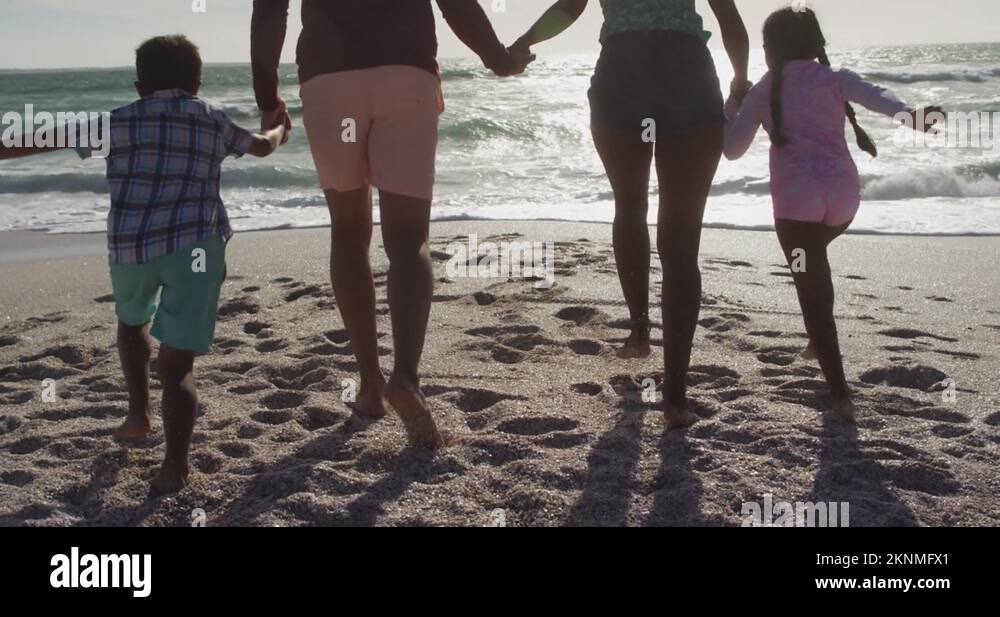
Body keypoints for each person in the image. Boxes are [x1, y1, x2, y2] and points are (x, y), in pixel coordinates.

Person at [0, 35, 288, 494]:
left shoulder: (117, 121)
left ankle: (138, 415)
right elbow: (261, 147)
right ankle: (174, 466)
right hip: (196, 250)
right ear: (197, 83)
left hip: (132, 249)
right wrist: (277, 128)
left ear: (139, 86)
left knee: (132, 322)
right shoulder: (211, 117)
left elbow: (43, 138)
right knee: (178, 365)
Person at [250, 0, 534, 449]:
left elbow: (270, 11)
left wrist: (267, 98)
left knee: (348, 232)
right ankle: (405, 379)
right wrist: (497, 58)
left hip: (329, 78)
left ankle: (369, 383)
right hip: (406, 73)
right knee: (408, 240)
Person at [512, 0, 750, 429]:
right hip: (686, 74)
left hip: (622, 75)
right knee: (681, 241)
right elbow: (729, 17)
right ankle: (675, 398)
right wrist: (739, 79)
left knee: (629, 205)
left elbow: (570, 7)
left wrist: (524, 42)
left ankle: (639, 331)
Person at [723, 7, 941, 421]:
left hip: (796, 206)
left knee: (812, 292)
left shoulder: (763, 90)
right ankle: (816, 337)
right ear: (817, 45)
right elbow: (880, 98)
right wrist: (916, 118)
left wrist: (729, 107)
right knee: (816, 266)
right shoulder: (836, 78)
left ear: (768, 51)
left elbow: (731, 150)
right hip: (844, 201)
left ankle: (840, 394)